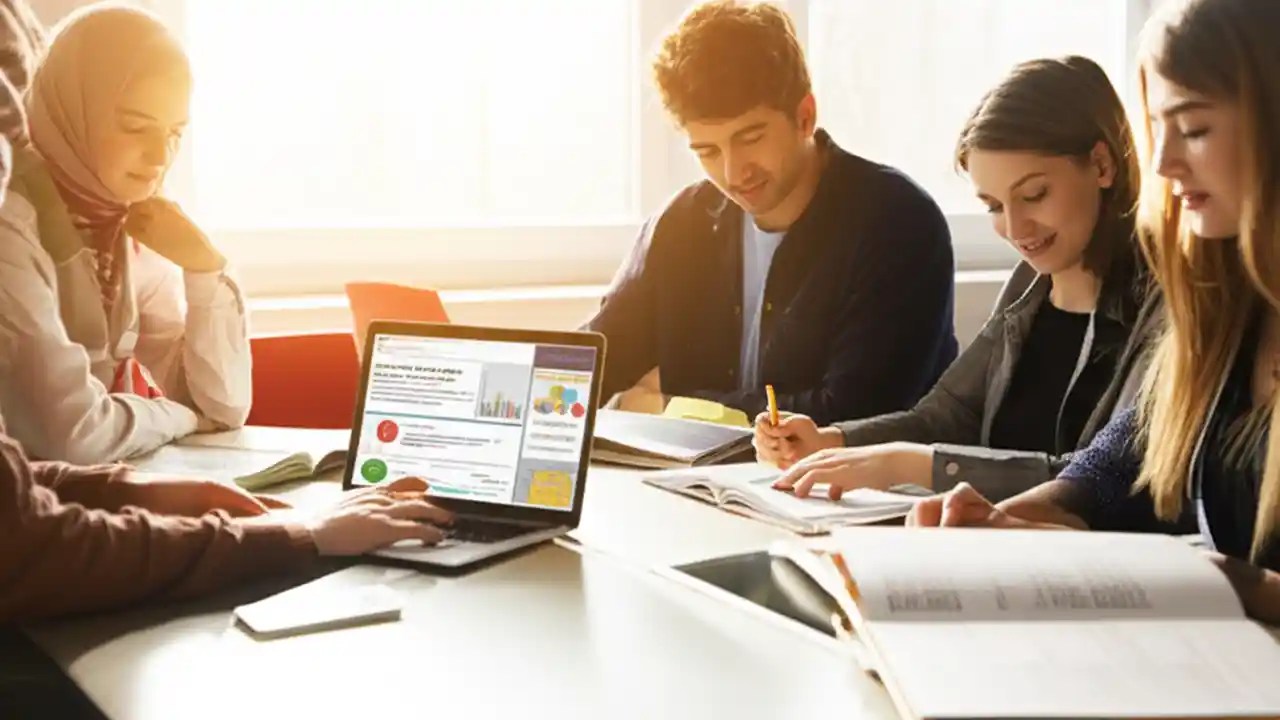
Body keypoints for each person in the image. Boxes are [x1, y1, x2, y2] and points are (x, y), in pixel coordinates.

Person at [908, 0, 1280, 624]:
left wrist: (1209, 581)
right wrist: (1022, 516)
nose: (1162, 164)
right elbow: (1119, 461)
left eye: (1192, 129)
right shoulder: (1223, 305)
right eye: (1158, 130)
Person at [757, 56, 1153, 502]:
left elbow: (1101, 480)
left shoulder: (1168, 307)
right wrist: (831, 443)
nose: (1016, 229)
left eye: (1034, 195)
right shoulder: (1029, 285)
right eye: (994, 206)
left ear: (1102, 165)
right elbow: (944, 418)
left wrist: (909, 465)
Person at [584, 0, 957, 426]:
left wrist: (669, 405)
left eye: (751, 138)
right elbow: (593, 361)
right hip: (697, 486)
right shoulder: (681, 222)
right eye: (707, 151)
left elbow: (854, 415)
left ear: (805, 116)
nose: (732, 172)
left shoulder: (899, 224)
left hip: (849, 489)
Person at [0, 4, 250, 465]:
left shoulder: (126, 227)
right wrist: (179, 417)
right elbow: (70, 435)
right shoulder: (12, 223)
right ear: (74, 110)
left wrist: (205, 269)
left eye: (174, 133)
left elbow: (222, 406)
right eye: (136, 127)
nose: (160, 156)